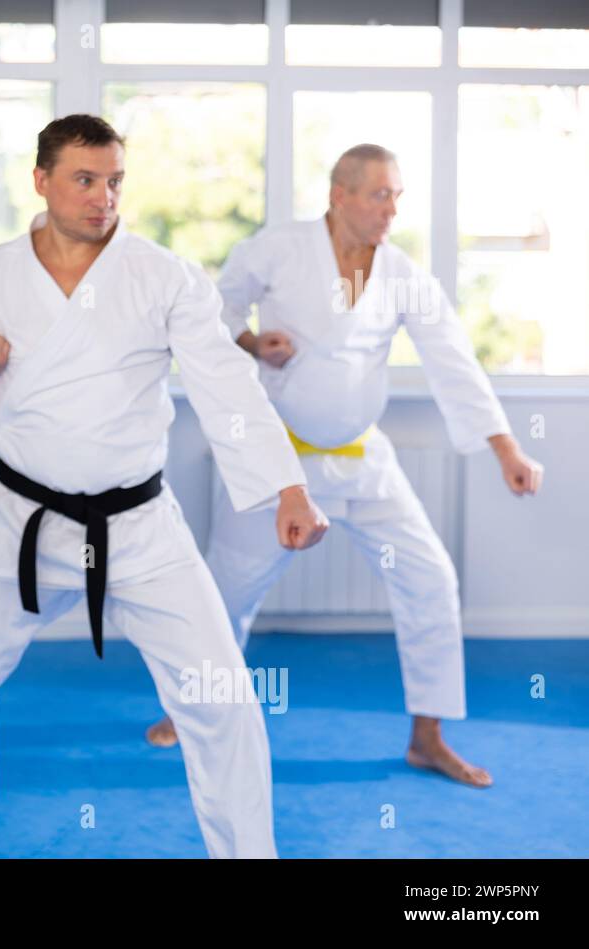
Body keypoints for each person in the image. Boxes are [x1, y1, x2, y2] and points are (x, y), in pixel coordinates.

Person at [0, 115, 328, 859]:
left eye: (113, 181)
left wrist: (286, 487)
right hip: (17, 519)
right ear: (40, 181)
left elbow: (226, 385)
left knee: (222, 693)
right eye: (83, 179)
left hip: (138, 525)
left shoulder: (164, 275)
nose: (102, 197)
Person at [144, 144, 544, 789]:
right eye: (380, 194)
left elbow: (452, 356)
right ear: (340, 194)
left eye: (397, 196)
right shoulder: (278, 247)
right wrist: (252, 343)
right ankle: (184, 708)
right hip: (278, 465)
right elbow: (214, 309)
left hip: (364, 460)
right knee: (226, 591)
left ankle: (427, 736)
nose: (392, 209)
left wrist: (505, 447)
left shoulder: (403, 272)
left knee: (432, 580)